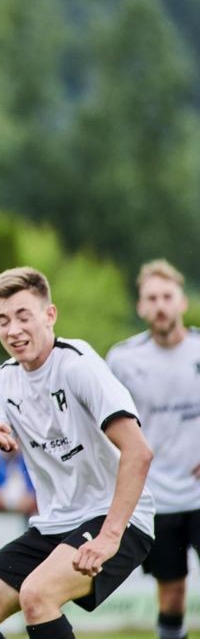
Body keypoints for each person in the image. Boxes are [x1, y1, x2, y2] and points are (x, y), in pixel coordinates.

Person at [0, 267, 155, 639]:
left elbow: (139, 452)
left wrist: (109, 537)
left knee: (37, 596)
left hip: (118, 519)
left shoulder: (77, 365)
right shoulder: (1, 380)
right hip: (54, 525)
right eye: (2, 321)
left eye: (23, 316)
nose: (13, 330)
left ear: (49, 315)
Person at [106, 259, 200, 639]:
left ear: (182, 302)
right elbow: (105, 425)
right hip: (157, 498)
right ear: (141, 307)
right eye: (152, 298)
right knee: (172, 594)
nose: (160, 305)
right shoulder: (122, 360)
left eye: (166, 296)